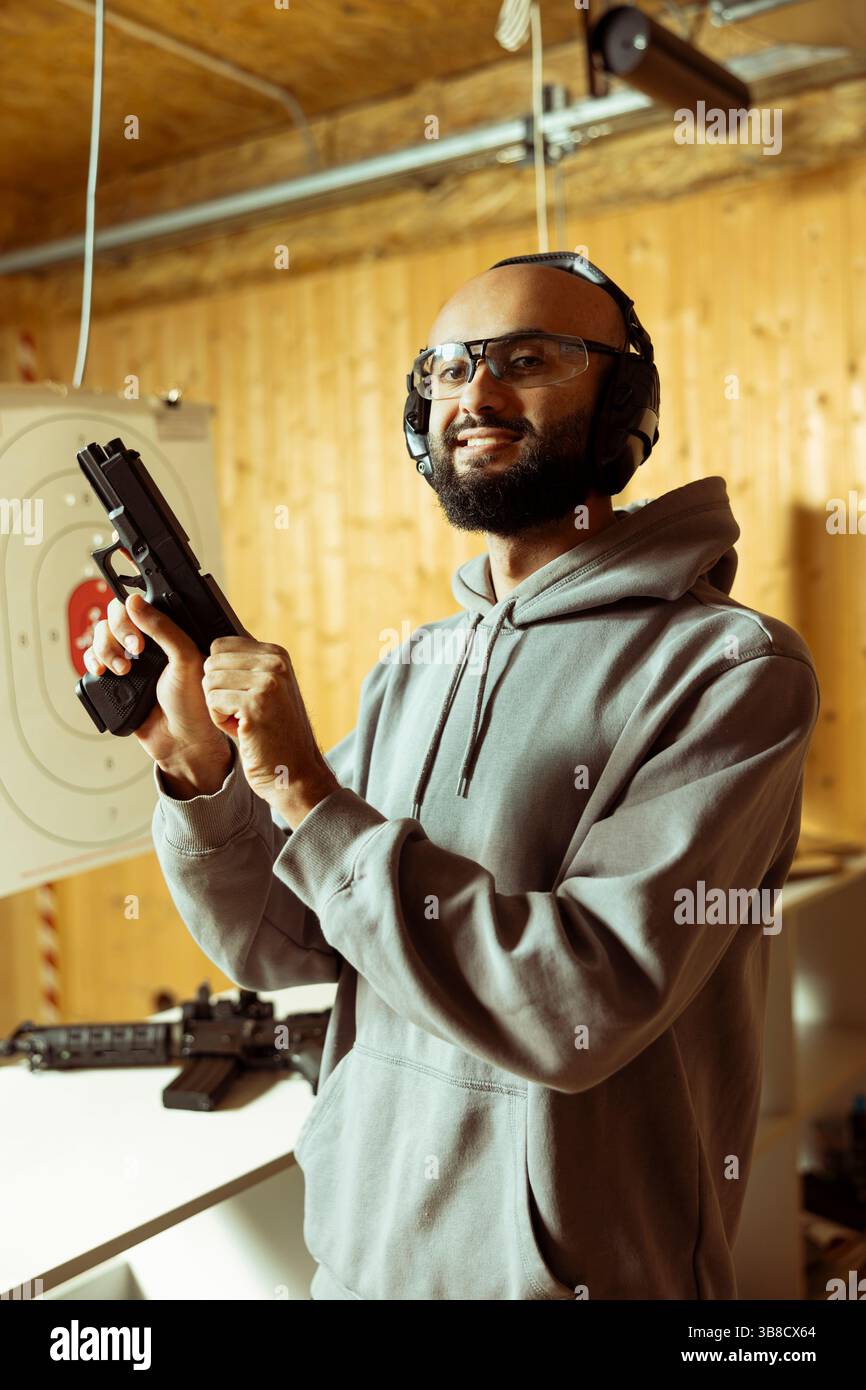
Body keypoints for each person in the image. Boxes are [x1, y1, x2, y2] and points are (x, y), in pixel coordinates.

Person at [83, 254, 819, 1301]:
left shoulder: (731, 670)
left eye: (527, 359)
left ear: (622, 407)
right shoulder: (413, 665)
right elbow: (287, 943)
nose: (473, 393)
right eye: (443, 368)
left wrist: (301, 788)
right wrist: (200, 770)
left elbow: (582, 1004)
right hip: (358, 1264)